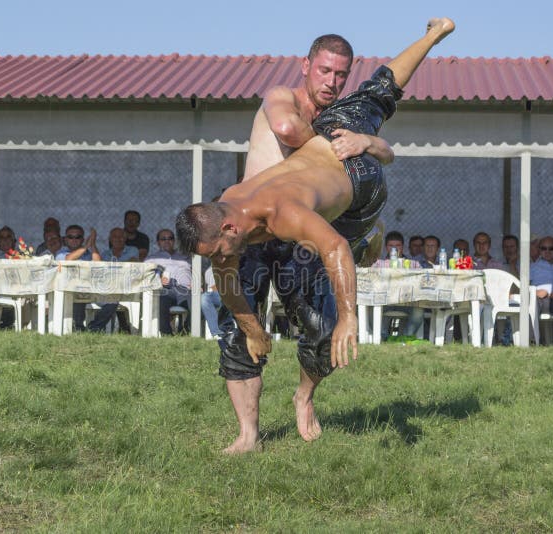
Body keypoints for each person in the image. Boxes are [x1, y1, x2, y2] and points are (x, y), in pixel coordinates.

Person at [176, 17, 455, 453]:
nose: (332, 81)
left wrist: (366, 144)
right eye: (325, 71)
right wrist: (252, 326)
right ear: (305, 66)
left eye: (341, 74)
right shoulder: (281, 99)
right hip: (260, 229)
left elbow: (386, 97)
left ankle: (304, 396)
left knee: (324, 331)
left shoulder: (342, 123)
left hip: (306, 227)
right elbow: (287, 128)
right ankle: (248, 435)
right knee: (236, 336)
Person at [87, 227, 139, 333]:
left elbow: (134, 262)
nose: (118, 239)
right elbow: (99, 268)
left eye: (121, 237)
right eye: (115, 237)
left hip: (127, 287)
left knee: (113, 300)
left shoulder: (133, 250)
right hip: (108, 288)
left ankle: (95, 327)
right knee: (111, 302)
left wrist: (111, 269)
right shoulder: (106, 254)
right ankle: (95, 327)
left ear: (125, 239)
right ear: (110, 239)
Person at [146, 229, 192, 335]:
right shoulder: (151, 259)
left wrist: (198, 283)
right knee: (160, 301)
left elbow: (198, 273)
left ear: (174, 241)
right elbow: (145, 277)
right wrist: (157, 280)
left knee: (199, 302)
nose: (167, 241)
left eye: (170, 238)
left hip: (186, 289)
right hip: (165, 289)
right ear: (158, 242)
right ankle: (167, 334)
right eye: (163, 239)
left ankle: (186, 330)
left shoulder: (185, 257)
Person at [56, 224, 101, 330]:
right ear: (65, 239)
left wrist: (92, 245)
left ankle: (94, 327)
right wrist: (85, 246)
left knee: (112, 303)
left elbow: (99, 264)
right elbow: (67, 260)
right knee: (78, 292)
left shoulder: (89, 254)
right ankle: (79, 327)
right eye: (70, 237)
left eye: (78, 237)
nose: (74, 240)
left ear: (82, 239)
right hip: (71, 290)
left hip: (93, 289)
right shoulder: (61, 252)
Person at [530, 236, 553, 323]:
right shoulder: (532, 267)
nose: (547, 251)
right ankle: (528, 336)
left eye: (551, 248)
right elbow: (522, 287)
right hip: (538, 299)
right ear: (539, 250)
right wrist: (535, 293)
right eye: (544, 248)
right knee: (529, 308)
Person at [201, 264, 223, 338]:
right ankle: (217, 333)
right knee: (204, 298)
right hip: (218, 295)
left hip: (233, 294)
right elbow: (214, 287)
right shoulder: (209, 270)